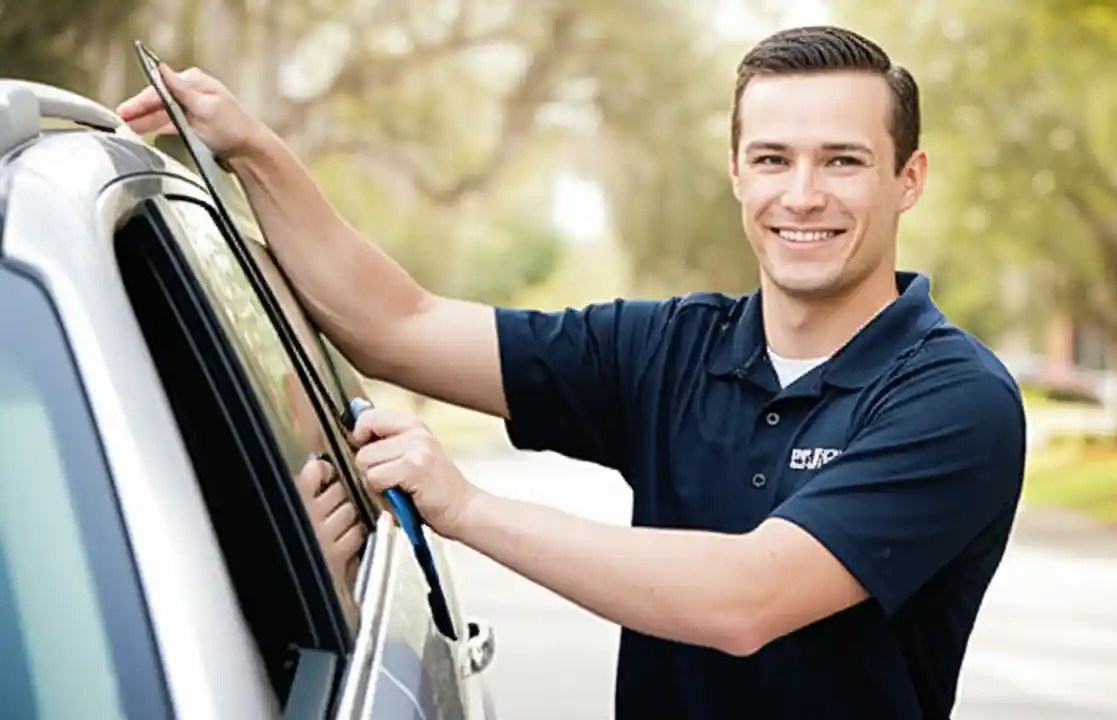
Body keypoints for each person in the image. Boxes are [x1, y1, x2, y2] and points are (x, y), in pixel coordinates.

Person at [119, 24, 1026, 720]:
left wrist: (468, 509)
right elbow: (401, 325)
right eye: (772, 159)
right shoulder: (672, 348)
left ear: (908, 178)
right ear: (736, 172)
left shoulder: (953, 398)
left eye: (843, 161)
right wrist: (253, 152)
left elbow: (747, 599)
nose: (802, 195)